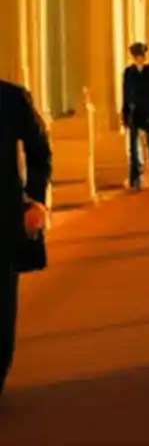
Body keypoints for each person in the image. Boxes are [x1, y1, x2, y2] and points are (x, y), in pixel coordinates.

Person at [0, 80, 51, 396]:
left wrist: (34, 198)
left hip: (2, 219)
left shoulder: (10, 98)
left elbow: (39, 147)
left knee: (1, 310)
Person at [121, 42, 149, 190]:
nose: (139, 59)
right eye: (137, 56)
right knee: (133, 148)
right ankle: (136, 180)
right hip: (135, 113)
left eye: (141, 56)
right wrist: (125, 112)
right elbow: (125, 94)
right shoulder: (129, 72)